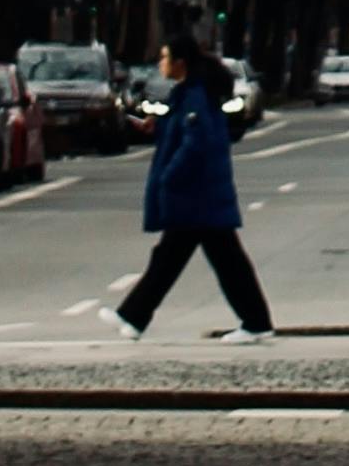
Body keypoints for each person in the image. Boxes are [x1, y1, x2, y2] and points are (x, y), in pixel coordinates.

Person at [113, 23, 275, 337]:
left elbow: (197, 140)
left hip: (196, 194)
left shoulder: (195, 95)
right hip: (202, 194)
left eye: (164, 57)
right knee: (208, 260)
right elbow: (184, 129)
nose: (161, 64)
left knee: (181, 260)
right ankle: (134, 317)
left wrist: (170, 177)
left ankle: (134, 318)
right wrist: (156, 127)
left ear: (180, 62)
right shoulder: (189, 92)